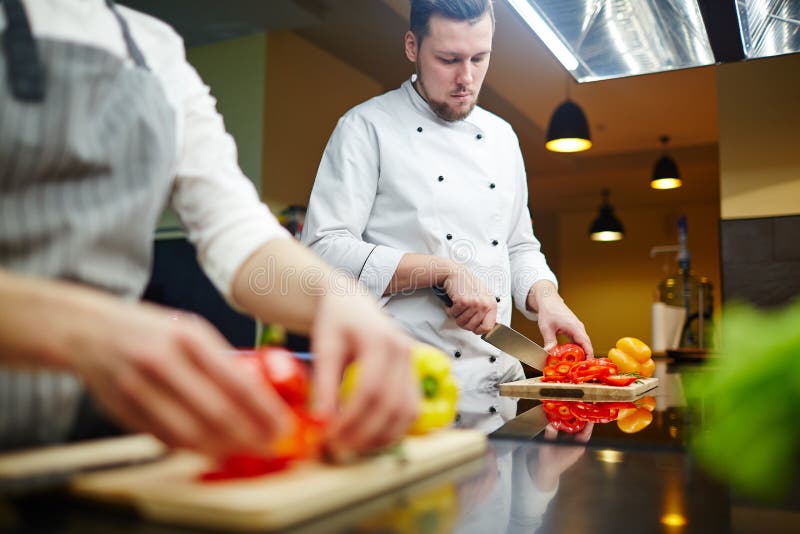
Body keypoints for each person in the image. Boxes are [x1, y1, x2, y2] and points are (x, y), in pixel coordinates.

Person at [0, 0, 419, 456]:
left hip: (93, 448)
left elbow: (238, 232)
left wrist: (337, 298)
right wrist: (83, 328)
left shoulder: (153, 49)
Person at [302, 0, 592, 395]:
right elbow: (322, 251)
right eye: (449, 59)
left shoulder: (503, 137)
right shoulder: (365, 128)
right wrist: (443, 270)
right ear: (412, 47)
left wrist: (548, 299)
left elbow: (518, 247)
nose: (466, 78)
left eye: (479, 57)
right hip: (403, 388)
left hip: (499, 389)